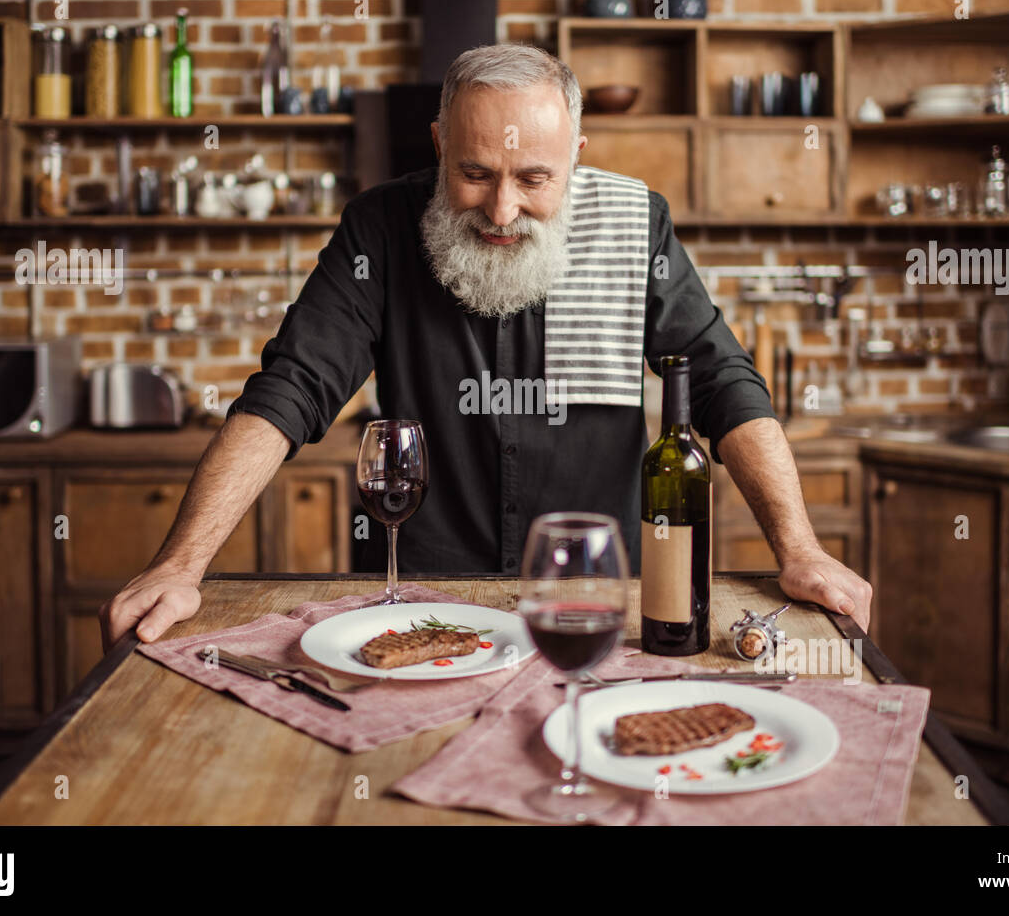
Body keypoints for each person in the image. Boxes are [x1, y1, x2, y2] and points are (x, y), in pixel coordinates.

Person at [100, 44, 871, 650]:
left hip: (591, 603)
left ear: (575, 152)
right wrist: (181, 564)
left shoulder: (633, 224)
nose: (502, 209)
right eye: (474, 173)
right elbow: (288, 391)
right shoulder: (380, 227)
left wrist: (798, 548)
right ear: (439, 144)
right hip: (419, 611)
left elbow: (721, 382)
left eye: (534, 178)